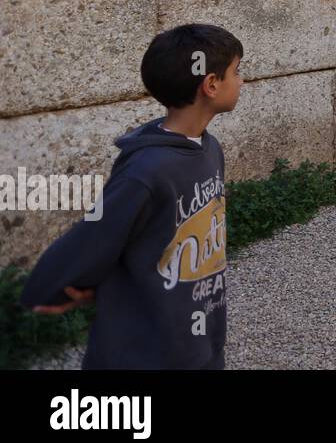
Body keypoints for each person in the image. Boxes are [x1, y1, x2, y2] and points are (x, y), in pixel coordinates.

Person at [21, 24, 243, 369]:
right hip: (145, 354)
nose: (242, 81)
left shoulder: (210, 148)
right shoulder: (147, 170)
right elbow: (98, 232)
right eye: (236, 71)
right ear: (211, 84)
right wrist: (51, 286)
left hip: (202, 340)